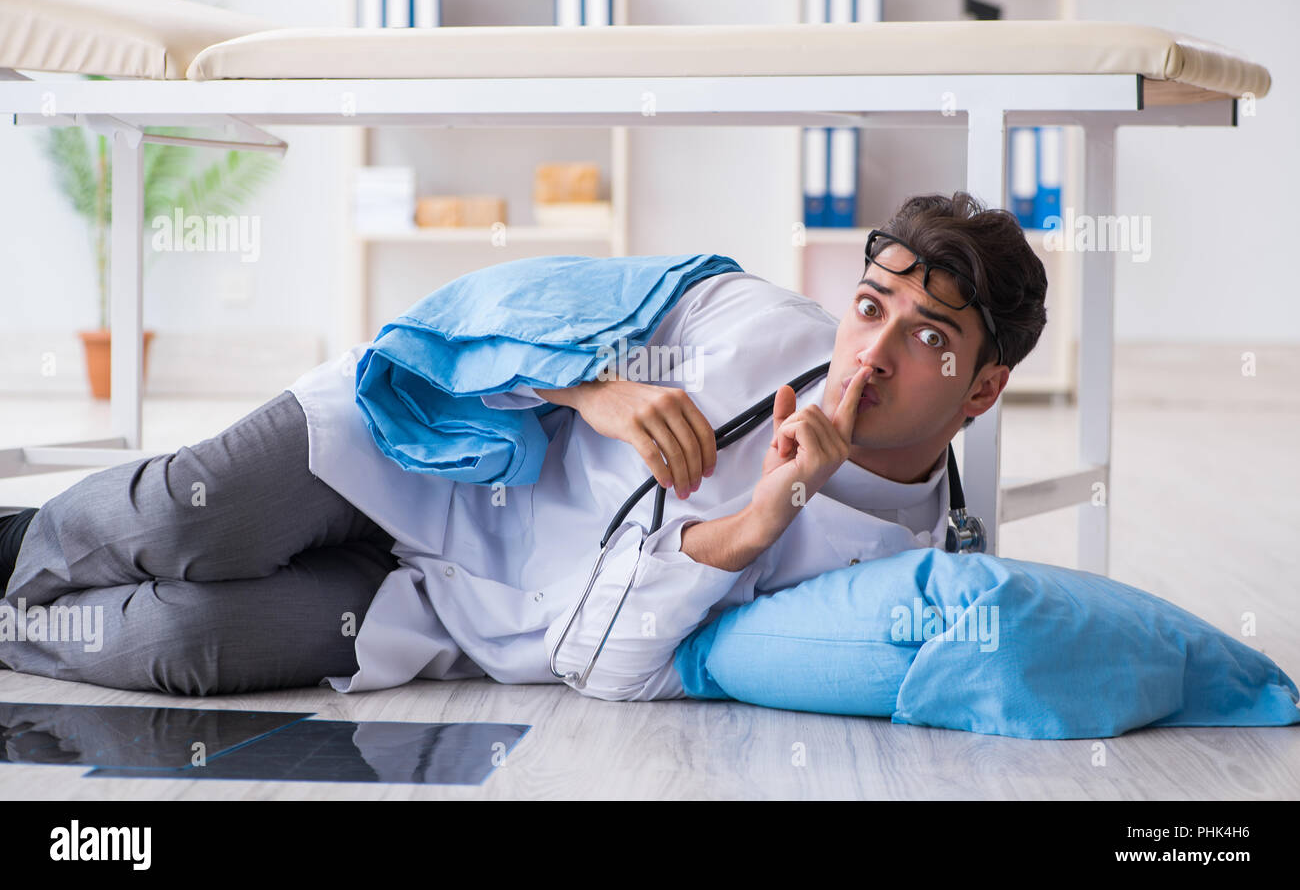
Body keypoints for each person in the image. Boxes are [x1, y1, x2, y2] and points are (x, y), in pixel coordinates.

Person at [0, 191, 1047, 700]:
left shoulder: (909, 572)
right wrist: (596, 390)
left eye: (926, 339)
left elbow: (602, 662)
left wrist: (755, 522)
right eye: (869, 308)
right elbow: (490, 314)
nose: (866, 356)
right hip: (420, 459)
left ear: (983, 389)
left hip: (444, 614)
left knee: (179, 646)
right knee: (189, 517)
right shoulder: (746, 324)